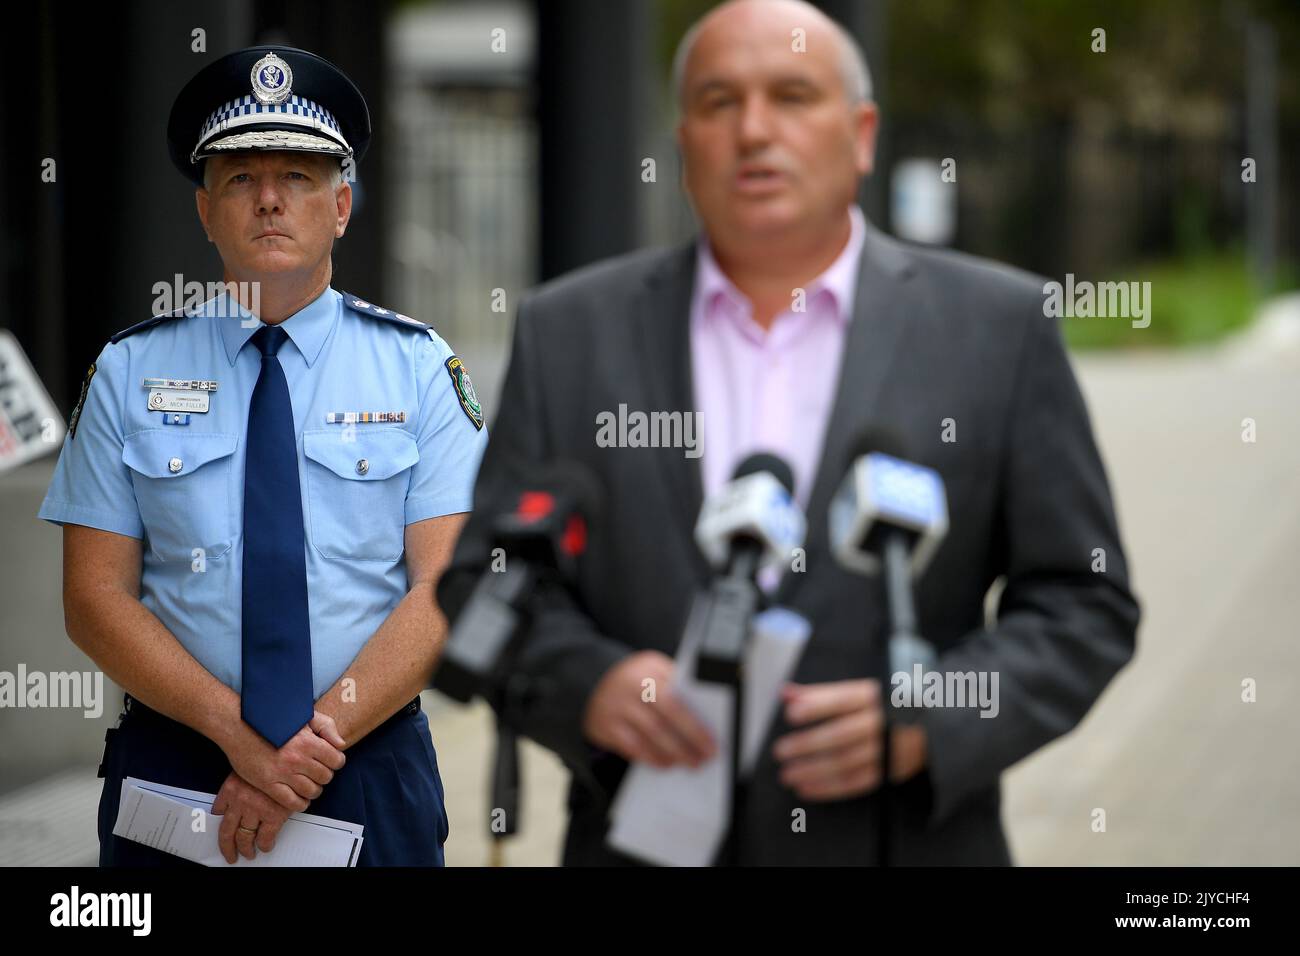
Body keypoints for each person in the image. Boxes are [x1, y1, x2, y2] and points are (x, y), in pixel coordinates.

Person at [441, 0, 1139, 865]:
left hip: (900, 842)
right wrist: (588, 684)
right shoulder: (570, 332)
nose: (754, 129)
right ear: (684, 138)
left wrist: (937, 715)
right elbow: (483, 579)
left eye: (793, 94)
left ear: (862, 133)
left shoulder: (999, 329)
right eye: (720, 100)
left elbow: (1086, 602)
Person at [38, 45, 488, 866]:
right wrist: (235, 736)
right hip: (177, 770)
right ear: (206, 211)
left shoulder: (418, 367)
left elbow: (446, 586)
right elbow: (93, 597)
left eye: (301, 177)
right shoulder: (129, 369)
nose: (271, 200)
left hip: (366, 766)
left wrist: (308, 746)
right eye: (241, 178)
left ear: (342, 205)